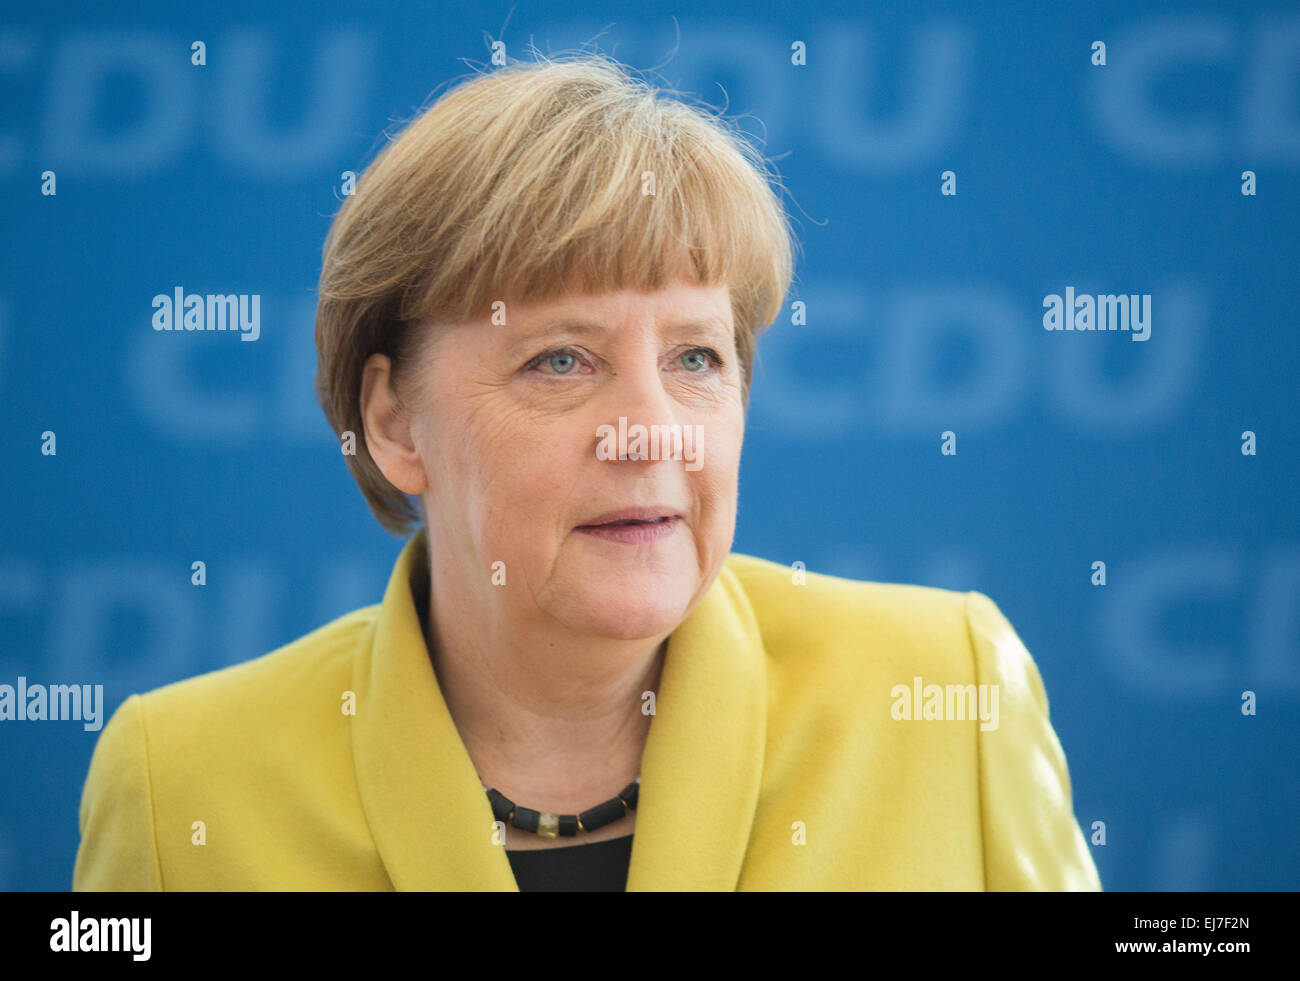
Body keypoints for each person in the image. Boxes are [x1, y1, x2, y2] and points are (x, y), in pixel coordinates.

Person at [73, 53, 1101, 892]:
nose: (651, 435)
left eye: (696, 358)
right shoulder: (181, 783)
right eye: (561, 360)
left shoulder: (948, 688)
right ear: (393, 423)